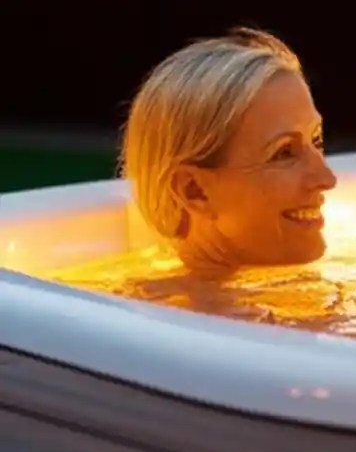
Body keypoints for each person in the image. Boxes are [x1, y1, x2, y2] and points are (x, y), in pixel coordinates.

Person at [120, 27, 338, 275]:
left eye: (317, 140)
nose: (327, 179)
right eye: (284, 152)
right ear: (195, 191)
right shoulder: (192, 311)